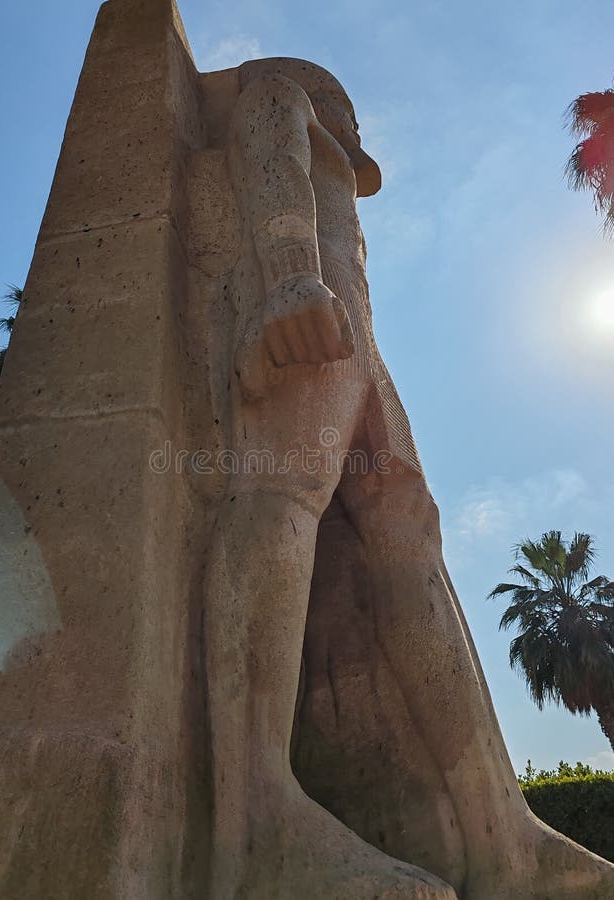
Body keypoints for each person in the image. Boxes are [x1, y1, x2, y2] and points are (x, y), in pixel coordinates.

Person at [202, 57, 614, 899]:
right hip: (305, 317)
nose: (354, 133)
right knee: (278, 500)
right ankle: (255, 818)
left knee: (410, 539)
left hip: (355, 343)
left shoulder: (340, 176)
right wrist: (286, 277)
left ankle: (502, 832)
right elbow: (264, 144)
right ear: (328, 100)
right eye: (347, 115)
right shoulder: (279, 97)